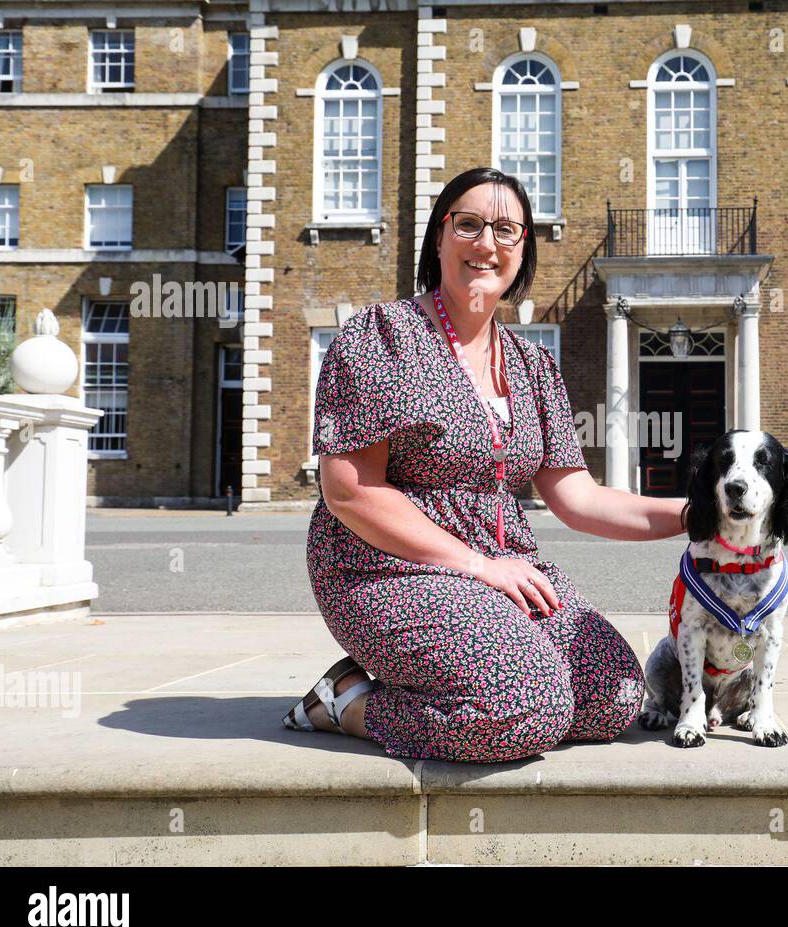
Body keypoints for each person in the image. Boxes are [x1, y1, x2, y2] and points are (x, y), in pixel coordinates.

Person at [283, 166, 687, 763]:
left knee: (616, 697)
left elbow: (579, 497)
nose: (487, 244)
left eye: (506, 230)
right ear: (439, 238)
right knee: (525, 706)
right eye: (468, 225)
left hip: (501, 571)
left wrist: (698, 512)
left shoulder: (531, 364)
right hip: (384, 568)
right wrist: (476, 565)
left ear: (523, 251)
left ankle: (435, 674)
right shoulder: (379, 338)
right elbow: (350, 492)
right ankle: (344, 701)